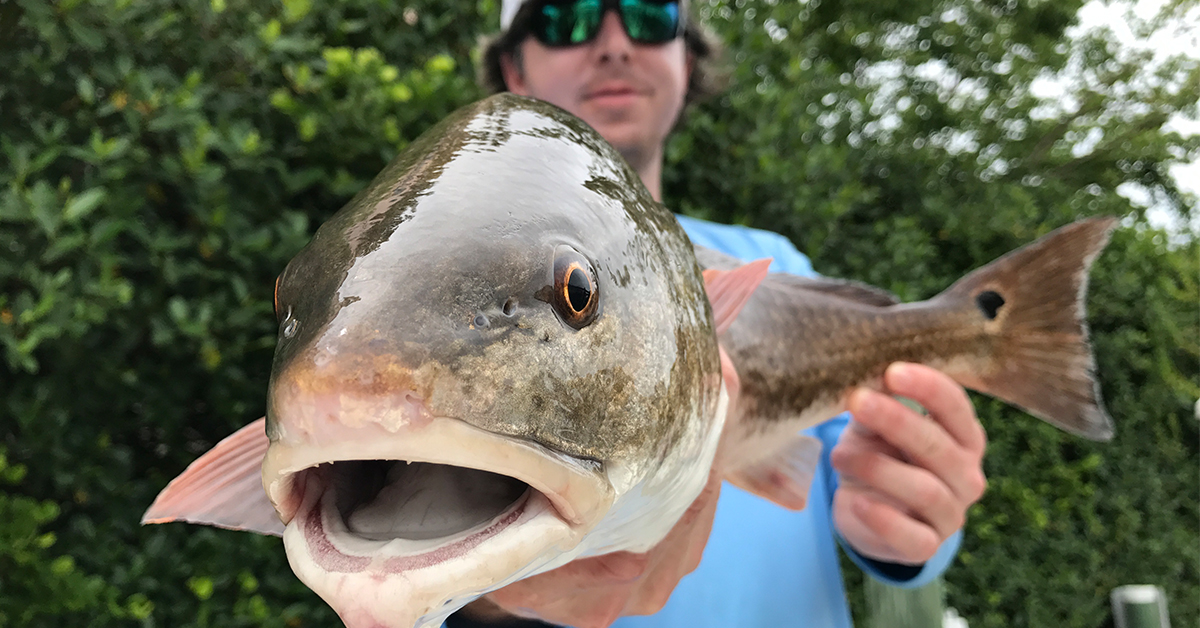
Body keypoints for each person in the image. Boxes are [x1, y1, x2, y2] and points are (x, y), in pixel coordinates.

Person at [447, 1, 989, 626]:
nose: (615, 43)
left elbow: (883, 484)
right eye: (569, 17)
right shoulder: (459, 288)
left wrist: (912, 522)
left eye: (650, 14)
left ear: (685, 53)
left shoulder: (776, 262)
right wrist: (486, 600)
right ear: (515, 67)